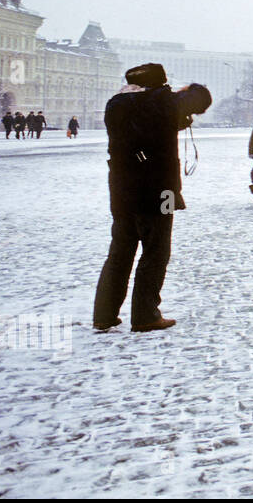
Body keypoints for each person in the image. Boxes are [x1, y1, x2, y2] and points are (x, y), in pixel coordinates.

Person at [93, 63, 211, 333]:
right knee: (157, 250)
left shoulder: (115, 104)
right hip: (163, 189)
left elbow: (147, 126)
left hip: (122, 190)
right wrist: (187, 96)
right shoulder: (163, 101)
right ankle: (146, 314)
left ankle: (104, 314)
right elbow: (197, 98)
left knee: (120, 250)